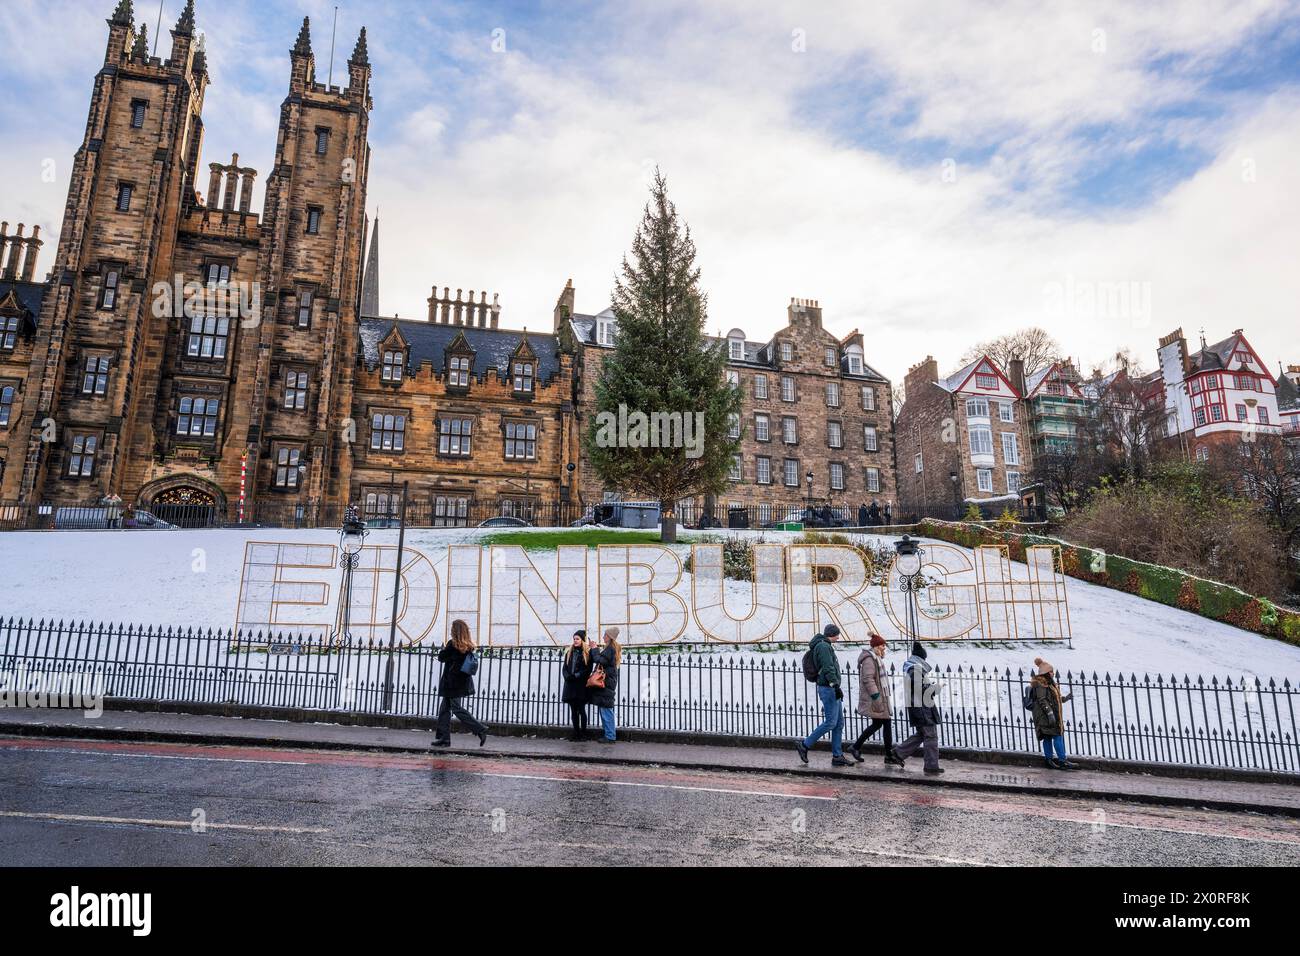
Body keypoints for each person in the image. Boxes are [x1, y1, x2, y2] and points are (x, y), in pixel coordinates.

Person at [795, 624, 853, 767]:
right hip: (828, 689)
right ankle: (804, 744)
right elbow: (828, 667)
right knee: (831, 722)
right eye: (837, 634)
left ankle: (837, 756)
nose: (838, 637)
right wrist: (835, 685)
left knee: (839, 723)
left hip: (831, 688)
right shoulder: (823, 646)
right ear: (831, 634)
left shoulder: (825, 645)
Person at [432, 619, 488, 748]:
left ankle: (480, 729)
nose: (450, 630)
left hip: (451, 683)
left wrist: (443, 650)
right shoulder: (467, 647)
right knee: (444, 710)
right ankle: (444, 739)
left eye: (452, 628)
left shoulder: (452, 644)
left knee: (456, 709)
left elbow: (442, 658)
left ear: (455, 631)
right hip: (460, 682)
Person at [848, 634, 904, 765]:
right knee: (884, 723)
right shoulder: (869, 659)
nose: (884, 648)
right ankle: (888, 755)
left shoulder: (876, 658)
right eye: (882, 646)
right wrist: (876, 696)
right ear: (876, 647)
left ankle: (856, 747)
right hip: (876, 698)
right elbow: (868, 679)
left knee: (880, 724)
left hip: (880, 697)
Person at [893, 641, 943, 774]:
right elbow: (920, 689)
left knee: (922, 734)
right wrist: (935, 688)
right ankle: (931, 767)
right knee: (930, 736)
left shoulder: (913, 668)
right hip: (922, 708)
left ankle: (898, 753)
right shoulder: (915, 669)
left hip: (919, 706)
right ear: (921, 658)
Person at [1029, 657, 1078, 769]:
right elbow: (1042, 700)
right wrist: (1050, 713)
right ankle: (1061, 760)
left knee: (1050, 737)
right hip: (1045, 716)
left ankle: (1049, 760)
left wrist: (1065, 699)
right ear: (1046, 673)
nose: (1053, 673)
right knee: (1056, 736)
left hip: (1049, 715)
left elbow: (1053, 698)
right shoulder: (1041, 684)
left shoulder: (1049, 683)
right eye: (1051, 671)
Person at [588, 626, 621, 743]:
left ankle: (610, 736)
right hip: (607, 682)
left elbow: (599, 660)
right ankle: (609, 735)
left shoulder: (610, 649)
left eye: (605, 635)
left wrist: (594, 648)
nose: (603, 637)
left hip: (606, 683)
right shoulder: (610, 648)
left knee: (606, 710)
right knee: (605, 709)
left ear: (609, 637)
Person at [561, 629, 592, 741]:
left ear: (582, 640)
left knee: (581, 710)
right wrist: (567, 676)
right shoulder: (569, 652)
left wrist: (577, 675)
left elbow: (588, 669)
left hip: (581, 686)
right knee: (573, 710)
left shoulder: (586, 653)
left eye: (577, 639)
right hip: (570, 686)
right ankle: (576, 733)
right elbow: (564, 667)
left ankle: (583, 733)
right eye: (574, 639)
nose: (575, 641)